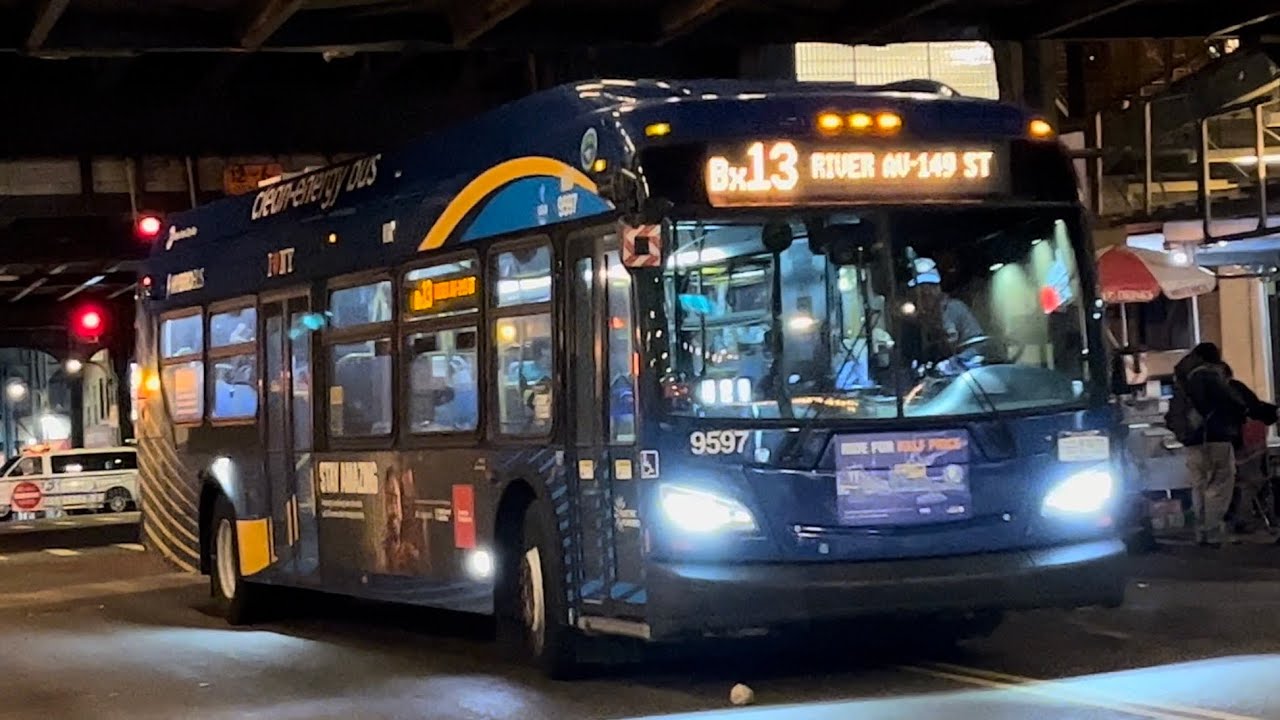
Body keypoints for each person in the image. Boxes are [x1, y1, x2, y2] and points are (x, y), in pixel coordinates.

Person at [1169, 343, 1249, 546]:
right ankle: (1212, 531)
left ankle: (1201, 532)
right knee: (1219, 484)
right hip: (1216, 436)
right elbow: (1233, 402)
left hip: (1192, 439)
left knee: (1199, 484)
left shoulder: (1182, 378)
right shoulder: (1208, 376)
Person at [1222, 364, 1278, 535]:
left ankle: (1232, 521)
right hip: (1249, 448)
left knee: (1235, 485)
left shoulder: (1217, 392)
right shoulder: (1234, 389)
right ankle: (1246, 520)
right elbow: (1255, 407)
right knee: (1250, 484)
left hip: (1233, 447)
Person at [907, 256, 986, 375]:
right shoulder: (913, 319)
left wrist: (952, 363)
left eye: (931, 286)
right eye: (921, 288)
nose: (926, 292)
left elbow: (977, 346)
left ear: (938, 288)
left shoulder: (956, 309)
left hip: (961, 377)